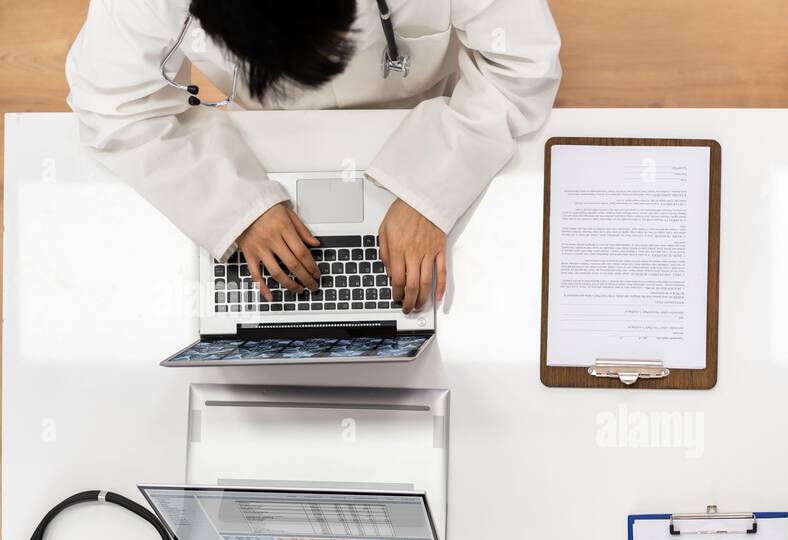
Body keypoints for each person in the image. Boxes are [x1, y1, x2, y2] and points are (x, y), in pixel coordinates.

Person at [65, 0, 562, 314]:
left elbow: (521, 66)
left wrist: (435, 183)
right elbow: (112, 104)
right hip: (262, 134)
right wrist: (232, 205)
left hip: (425, 109)